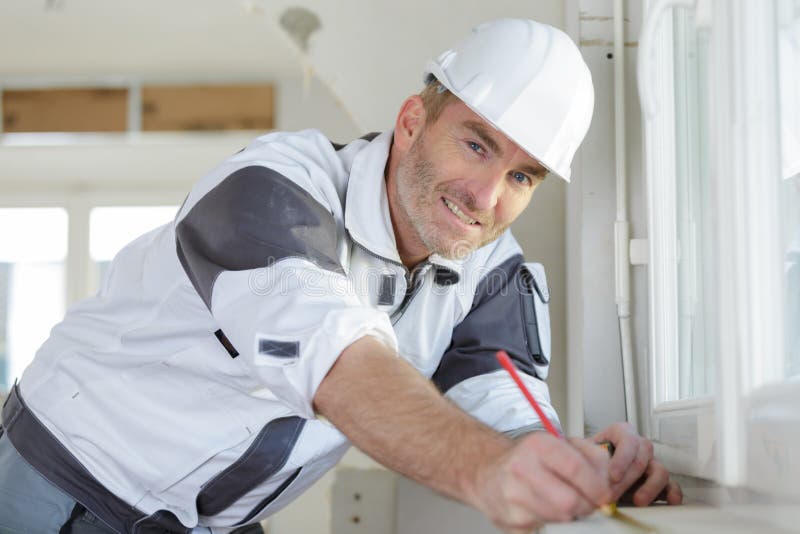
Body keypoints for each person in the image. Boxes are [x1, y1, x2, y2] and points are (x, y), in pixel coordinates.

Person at [0, 18, 681, 534]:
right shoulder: (272, 192)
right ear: (412, 122)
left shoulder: (493, 273)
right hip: (59, 480)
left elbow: (507, 414)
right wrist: (487, 470)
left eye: (522, 176)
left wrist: (579, 469)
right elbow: (337, 363)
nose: (486, 196)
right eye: (476, 144)